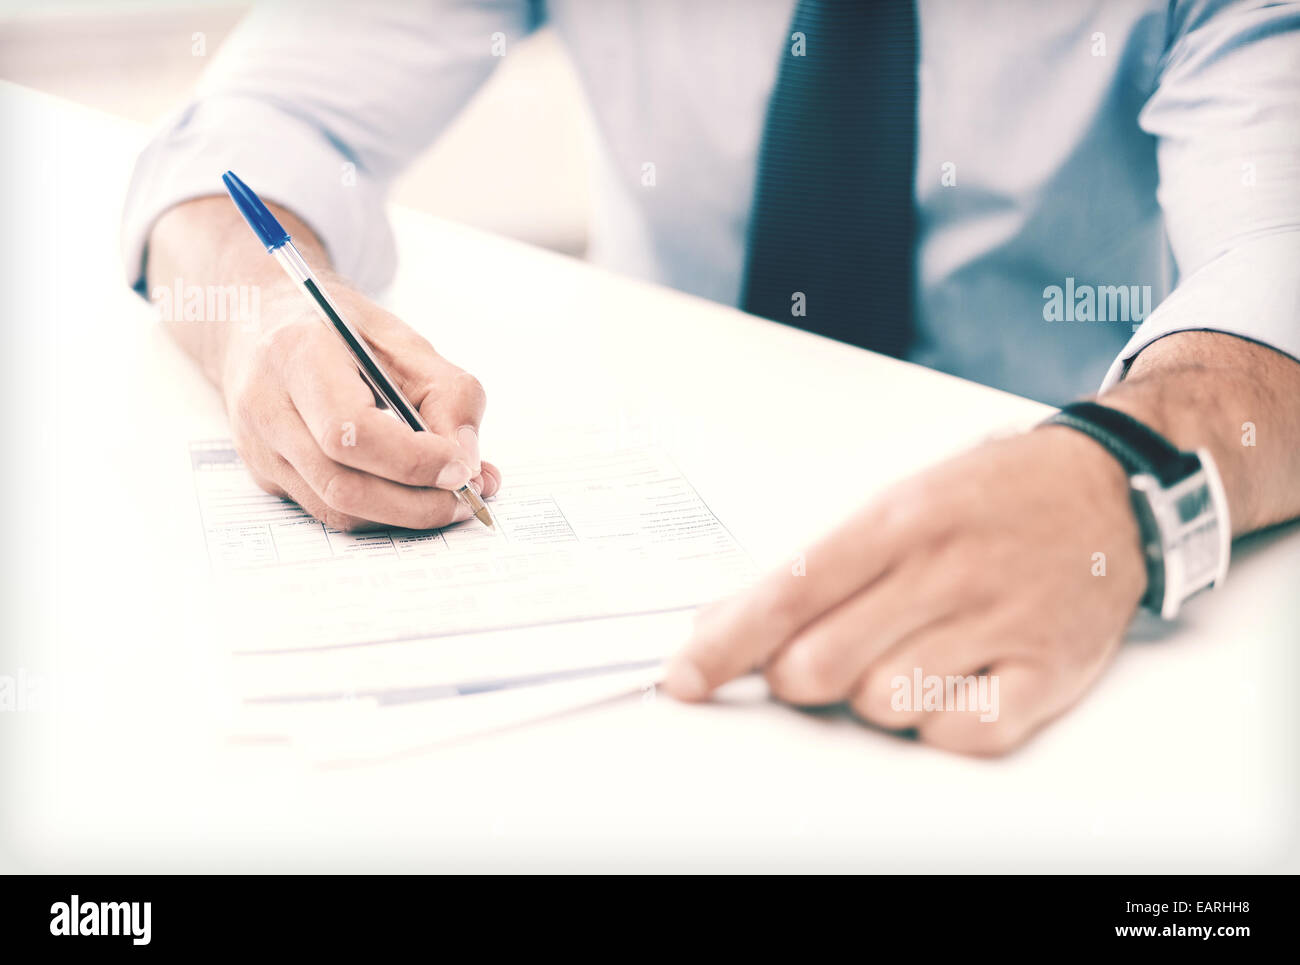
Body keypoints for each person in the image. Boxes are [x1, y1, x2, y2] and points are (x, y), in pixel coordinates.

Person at [123, 0, 1300, 754]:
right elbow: (248, 128)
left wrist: (1122, 475)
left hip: (1045, 514)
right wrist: (264, 314)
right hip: (649, 529)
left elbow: (1277, 266)